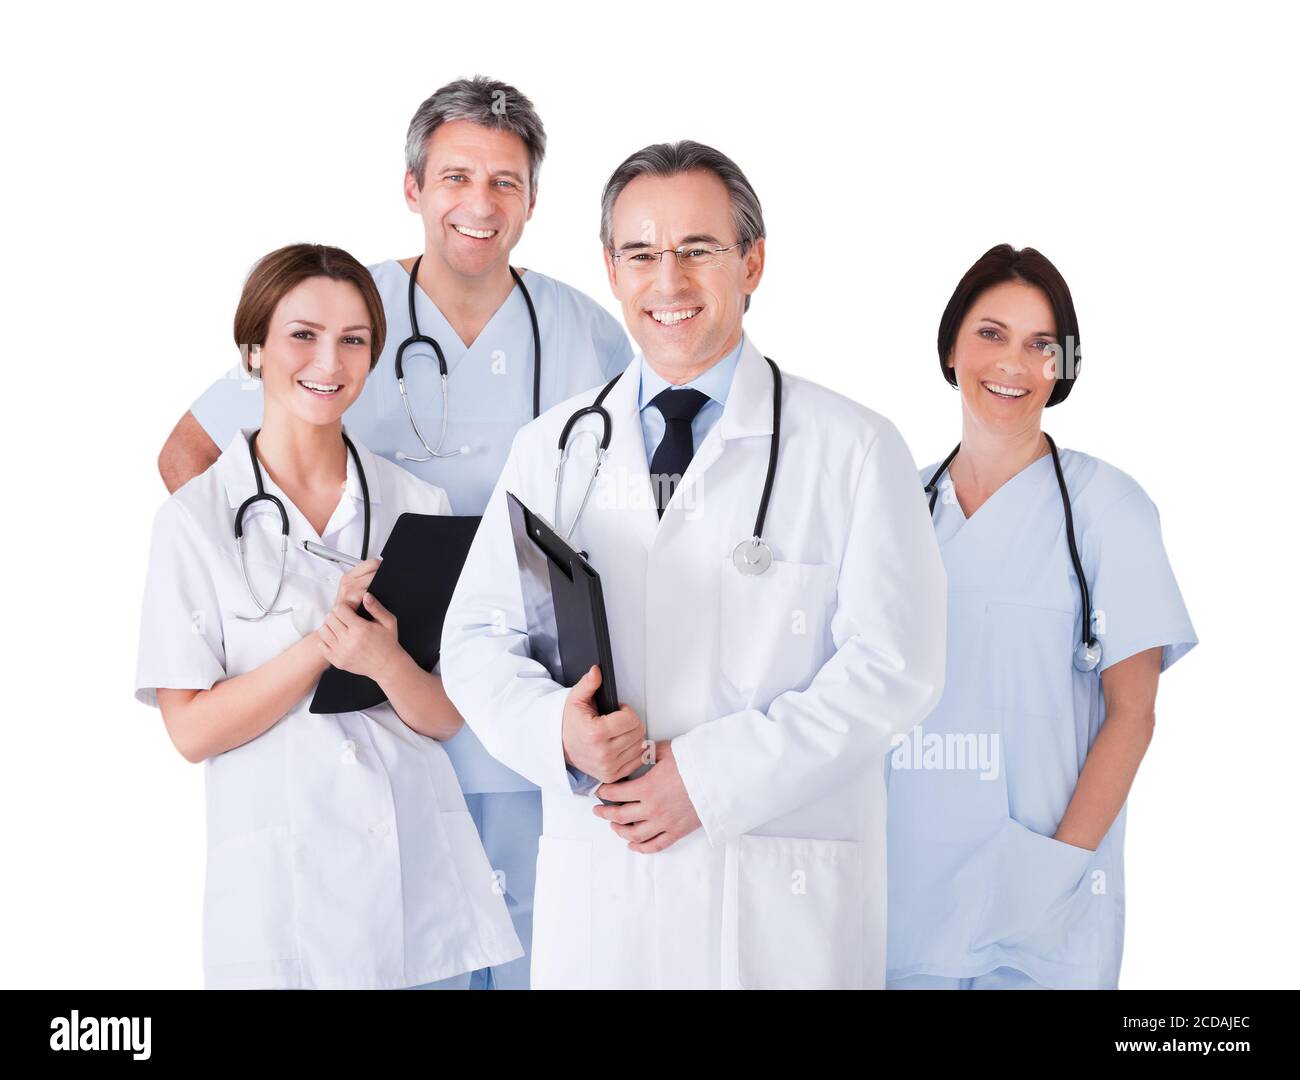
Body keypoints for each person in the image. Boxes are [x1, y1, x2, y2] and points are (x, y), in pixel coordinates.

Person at [156, 77, 633, 990]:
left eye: (505, 181)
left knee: (538, 959)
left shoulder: (586, 333)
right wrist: (291, 591)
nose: (479, 204)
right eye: (455, 176)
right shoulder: (343, 312)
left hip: (528, 704)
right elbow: (190, 453)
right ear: (413, 188)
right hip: (376, 706)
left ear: (534, 199)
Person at [438, 141, 948, 989]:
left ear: (752, 263)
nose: (667, 280)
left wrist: (711, 780)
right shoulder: (553, 448)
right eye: (641, 253)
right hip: (605, 895)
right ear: (611, 269)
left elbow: (896, 669)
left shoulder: (853, 448)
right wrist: (559, 733)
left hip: (773, 906)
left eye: (698, 250)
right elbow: (476, 641)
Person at [134, 244, 521, 989]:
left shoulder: (418, 505)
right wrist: (324, 645)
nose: (328, 361)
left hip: (412, 878)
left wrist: (386, 661)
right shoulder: (194, 519)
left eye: (353, 340)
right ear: (254, 349)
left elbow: (445, 716)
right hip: (281, 892)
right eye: (302, 335)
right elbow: (192, 731)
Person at [885, 244, 1198, 990]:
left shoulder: (1108, 508)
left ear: (1063, 367)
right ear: (952, 347)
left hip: (1042, 909)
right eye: (991, 334)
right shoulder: (895, 506)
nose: (1013, 363)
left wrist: (1051, 873)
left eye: (1041, 345)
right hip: (902, 896)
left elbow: (1133, 714)